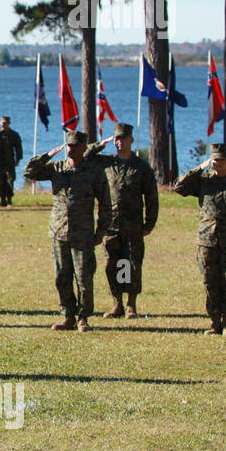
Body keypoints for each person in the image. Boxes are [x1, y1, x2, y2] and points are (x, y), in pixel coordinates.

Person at [23, 131, 110, 331]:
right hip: (59, 231)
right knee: (62, 276)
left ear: (83, 148)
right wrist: (47, 155)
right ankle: (68, 316)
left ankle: (83, 318)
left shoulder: (93, 171)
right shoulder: (56, 168)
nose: (70, 149)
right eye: (68, 145)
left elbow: (105, 203)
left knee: (84, 277)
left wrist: (101, 231)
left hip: (83, 232)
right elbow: (29, 172)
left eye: (74, 146)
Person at [174, 144, 226, 335]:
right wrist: (201, 167)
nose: (217, 163)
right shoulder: (203, 181)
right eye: (214, 159)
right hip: (207, 240)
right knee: (210, 282)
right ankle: (214, 321)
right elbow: (179, 187)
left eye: (220, 159)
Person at [85, 123, 158, 318]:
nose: (119, 142)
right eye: (116, 138)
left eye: (123, 138)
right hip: (110, 224)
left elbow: (151, 196)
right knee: (113, 264)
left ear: (131, 140)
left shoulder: (141, 167)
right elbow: (85, 155)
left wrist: (149, 223)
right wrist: (102, 144)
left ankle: (131, 304)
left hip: (133, 224)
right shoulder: (106, 163)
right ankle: (117, 303)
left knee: (131, 263)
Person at [0, 117, 22, 205]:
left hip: (10, 161)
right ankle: (2, 199)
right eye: (2, 123)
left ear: (9, 123)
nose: (4, 125)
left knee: (10, 180)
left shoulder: (14, 135)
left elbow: (18, 148)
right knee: (0, 181)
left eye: (5, 123)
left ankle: (9, 199)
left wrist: (18, 159)